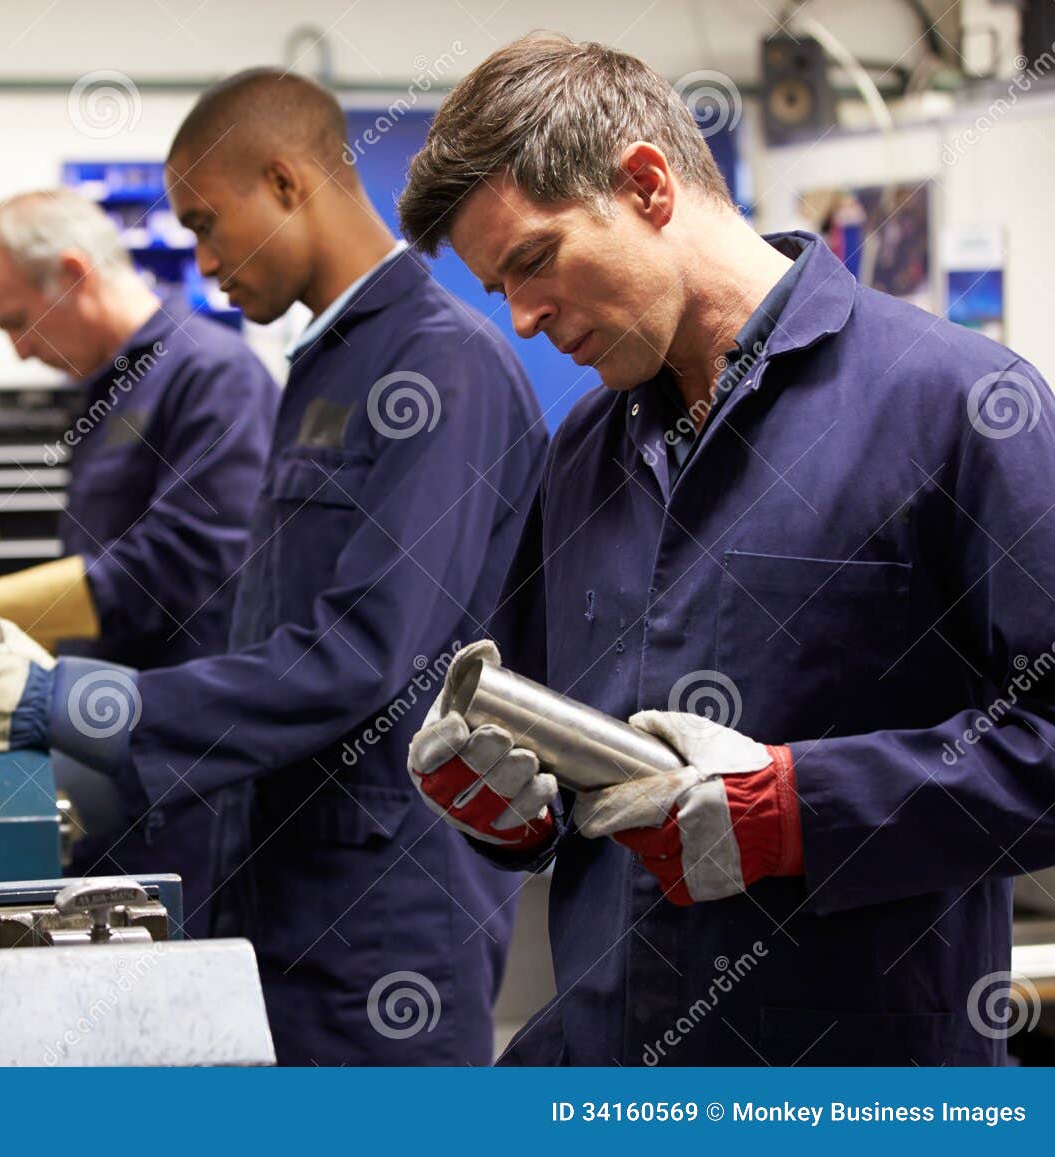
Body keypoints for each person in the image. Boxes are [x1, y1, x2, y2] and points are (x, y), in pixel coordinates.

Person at [400, 33, 1055, 1065]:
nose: (523, 319)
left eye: (532, 261)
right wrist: (500, 805)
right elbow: (549, 751)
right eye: (499, 291)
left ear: (647, 184)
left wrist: (799, 808)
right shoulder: (584, 453)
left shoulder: (956, 405)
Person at [0, 71, 549, 1064]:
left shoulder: (441, 367)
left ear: (288, 182)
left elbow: (358, 656)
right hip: (273, 865)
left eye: (209, 224)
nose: (203, 266)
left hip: (385, 907)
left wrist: (66, 700)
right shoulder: (322, 367)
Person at [0, 189, 279, 937]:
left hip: (187, 762)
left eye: (18, 321)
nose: (17, 349)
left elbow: (184, 558)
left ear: (75, 273)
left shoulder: (213, 376)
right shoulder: (111, 392)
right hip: (103, 748)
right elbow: (98, 570)